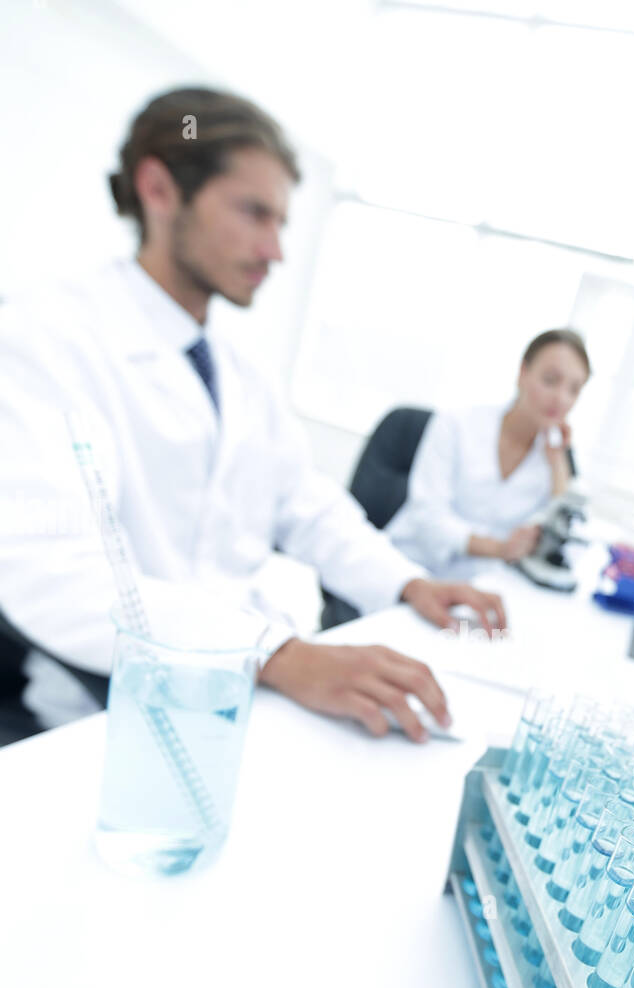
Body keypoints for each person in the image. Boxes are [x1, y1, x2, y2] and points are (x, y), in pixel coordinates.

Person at [0, 88, 505, 745]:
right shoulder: (44, 335)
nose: (276, 251)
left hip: (240, 684)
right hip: (99, 717)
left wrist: (406, 581)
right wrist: (278, 654)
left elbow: (304, 503)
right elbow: (53, 571)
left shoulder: (237, 370)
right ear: (158, 188)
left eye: (281, 223)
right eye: (253, 213)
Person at [385, 329, 590, 578]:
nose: (560, 398)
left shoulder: (553, 460)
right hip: (406, 569)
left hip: (477, 589)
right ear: (523, 373)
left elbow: (563, 544)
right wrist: (500, 549)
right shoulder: (457, 424)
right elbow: (428, 519)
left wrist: (558, 466)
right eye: (550, 380)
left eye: (574, 390)